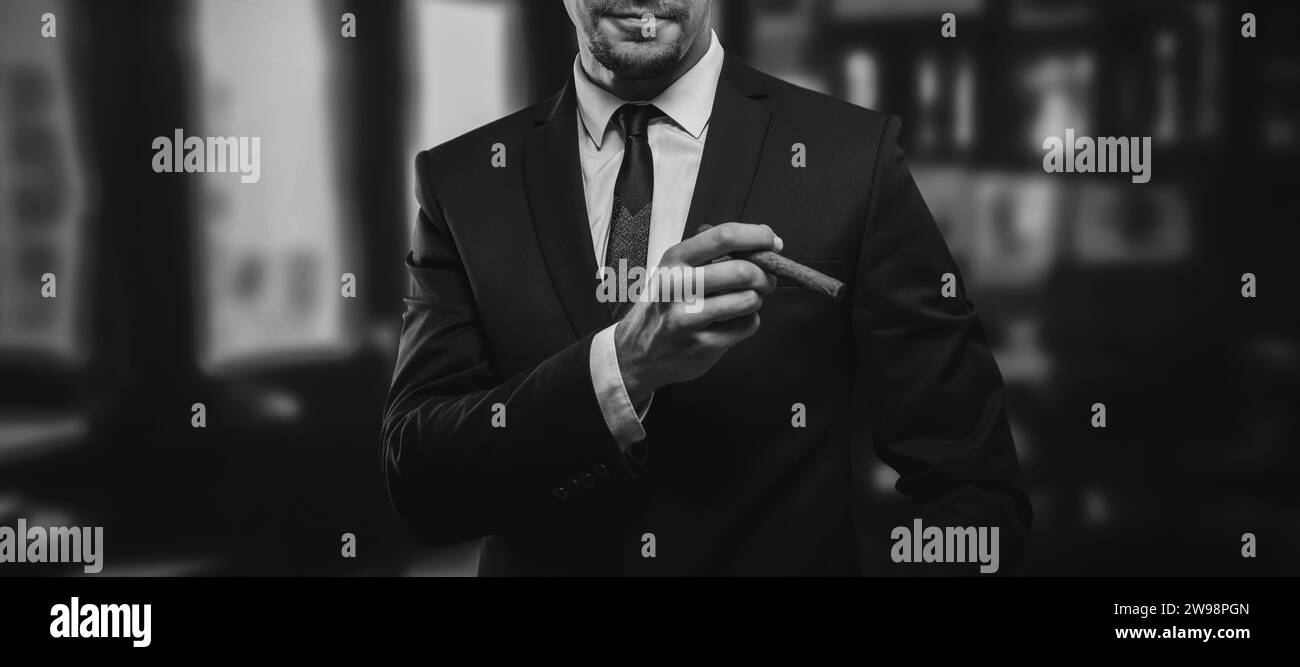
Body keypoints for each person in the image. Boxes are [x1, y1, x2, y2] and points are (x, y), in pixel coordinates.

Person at [382, 0, 1031, 575]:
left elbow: (968, 480)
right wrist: (623, 368)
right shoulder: (463, 182)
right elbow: (423, 486)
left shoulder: (849, 158)